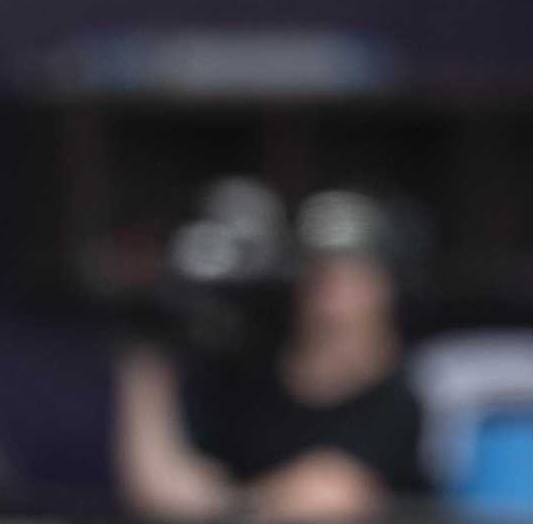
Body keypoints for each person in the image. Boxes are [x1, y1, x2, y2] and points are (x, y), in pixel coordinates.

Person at [114, 193, 425, 521]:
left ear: (385, 286)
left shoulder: (404, 397)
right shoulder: (245, 383)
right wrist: (146, 360)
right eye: (315, 269)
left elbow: (332, 493)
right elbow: (166, 490)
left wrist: (232, 503)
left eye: (351, 272)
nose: (329, 289)